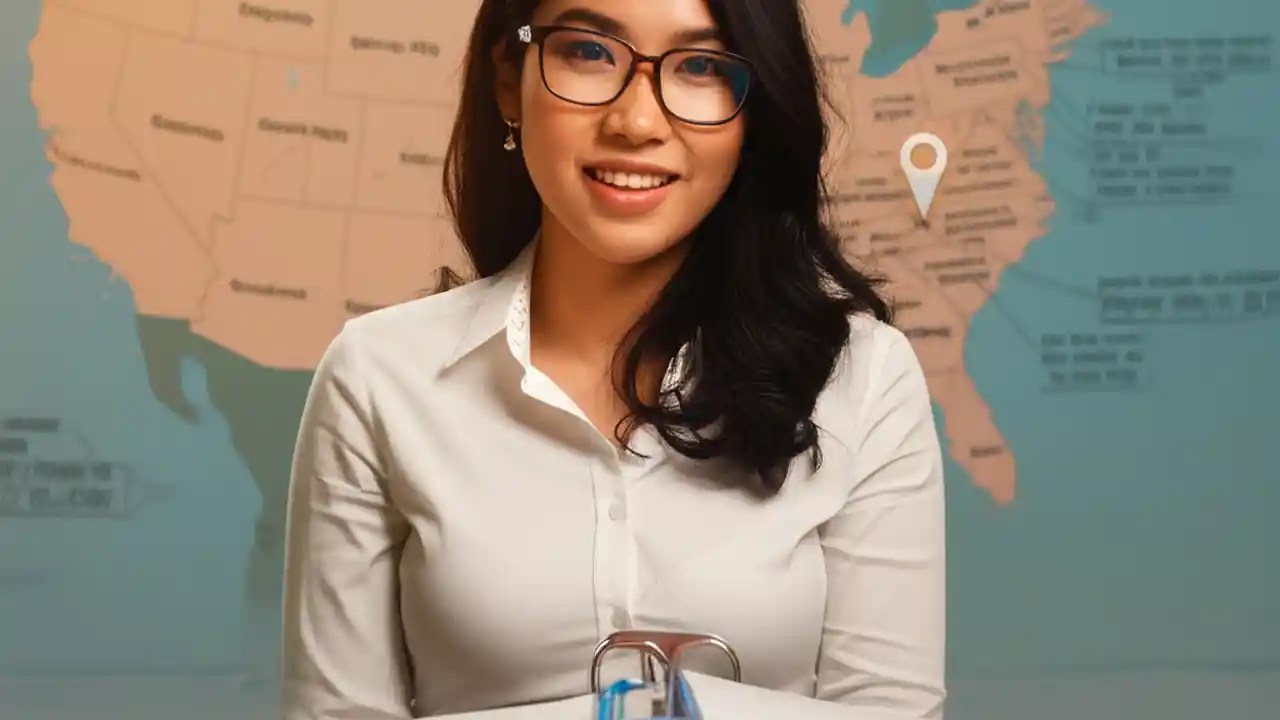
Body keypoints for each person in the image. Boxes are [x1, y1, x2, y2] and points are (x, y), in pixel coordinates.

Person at [280, 0, 946, 718]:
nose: (635, 122)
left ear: (755, 109)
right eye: (591, 53)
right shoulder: (378, 378)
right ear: (510, 78)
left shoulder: (863, 378)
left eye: (700, 66)